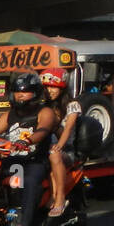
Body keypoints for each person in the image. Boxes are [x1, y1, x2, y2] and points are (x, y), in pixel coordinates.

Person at [0, 72, 59, 226]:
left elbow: (44, 129)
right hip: (12, 160)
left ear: (36, 93)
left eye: (25, 91)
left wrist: (27, 140)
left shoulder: (45, 111)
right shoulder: (10, 115)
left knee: (30, 181)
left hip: (35, 160)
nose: (20, 95)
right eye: (17, 91)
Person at [41, 68, 81, 217]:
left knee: (54, 155)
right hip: (43, 147)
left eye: (53, 87)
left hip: (66, 150)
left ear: (62, 88)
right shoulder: (43, 106)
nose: (49, 91)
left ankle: (59, 198)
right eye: (47, 87)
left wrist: (59, 146)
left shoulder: (72, 105)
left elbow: (68, 129)